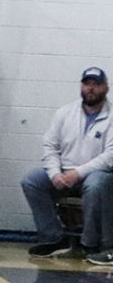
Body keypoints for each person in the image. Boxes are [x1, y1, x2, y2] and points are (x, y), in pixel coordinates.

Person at [21, 67, 113, 264]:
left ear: (105, 88)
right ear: (81, 86)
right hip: (64, 170)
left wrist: (78, 173)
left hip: (99, 173)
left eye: (96, 85)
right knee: (32, 181)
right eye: (87, 84)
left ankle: (92, 243)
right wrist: (55, 173)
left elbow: (110, 155)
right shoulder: (64, 113)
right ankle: (54, 237)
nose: (91, 89)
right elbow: (50, 146)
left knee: (96, 184)